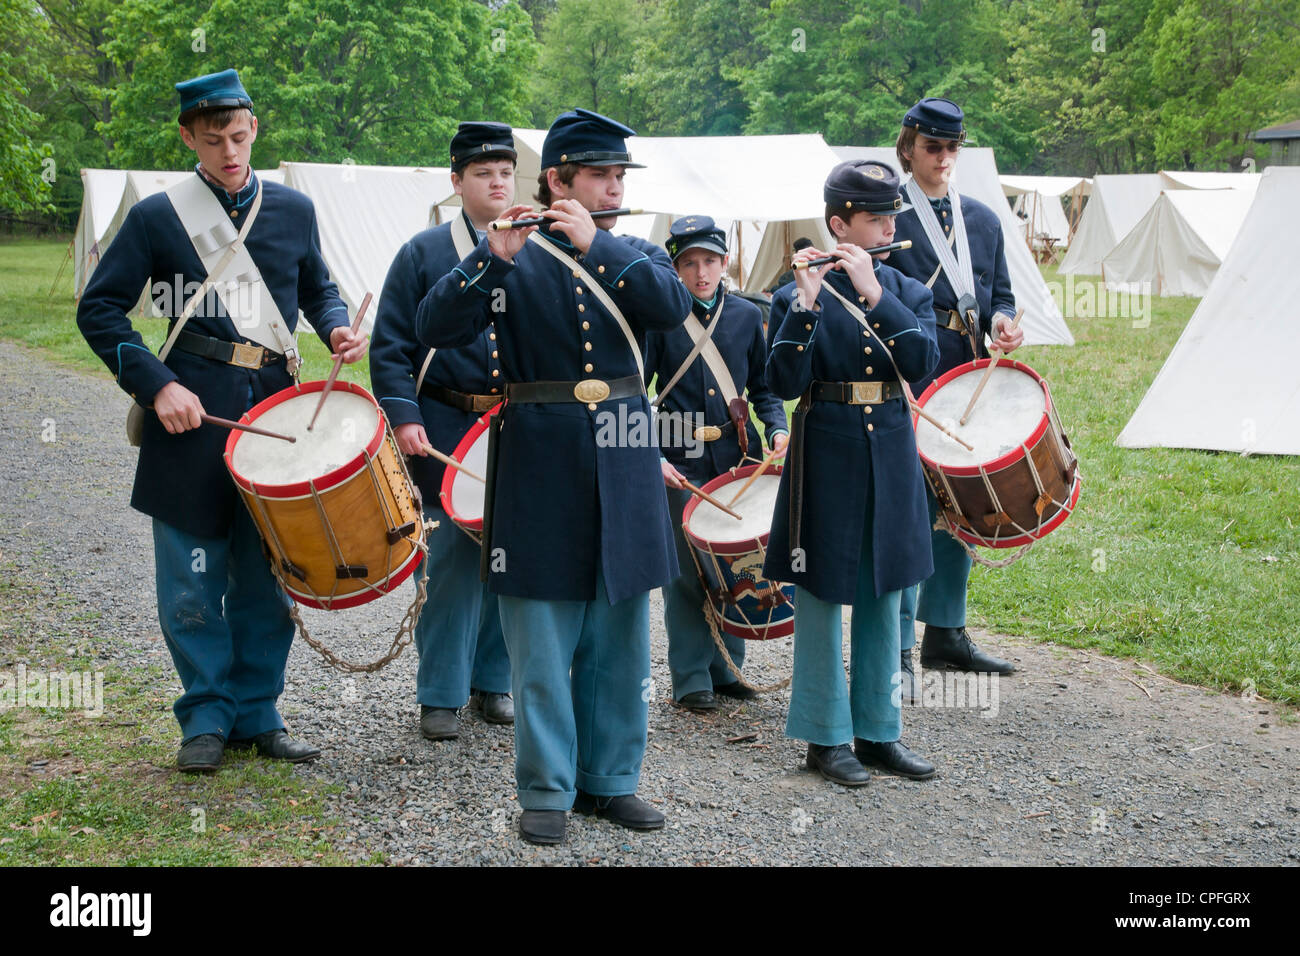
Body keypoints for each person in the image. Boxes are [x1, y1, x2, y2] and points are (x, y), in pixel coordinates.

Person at [76, 69, 366, 773]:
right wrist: (156, 384)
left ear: (255, 130)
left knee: (268, 572)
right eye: (214, 140)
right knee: (192, 580)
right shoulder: (158, 216)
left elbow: (317, 286)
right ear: (188, 137)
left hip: (272, 403)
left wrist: (333, 329)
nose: (230, 152)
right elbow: (99, 309)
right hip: (192, 411)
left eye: (239, 137)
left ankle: (258, 714)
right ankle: (204, 718)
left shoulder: (292, 209)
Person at [415, 108, 692, 844]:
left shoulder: (639, 252)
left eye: (617, 176)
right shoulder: (511, 253)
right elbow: (435, 328)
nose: (611, 186)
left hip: (628, 442)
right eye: (598, 175)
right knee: (541, 634)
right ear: (557, 180)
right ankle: (545, 787)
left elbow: (671, 308)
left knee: (621, 633)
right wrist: (490, 257)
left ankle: (611, 782)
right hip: (539, 447)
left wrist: (597, 242)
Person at [763, 159, 940, 785]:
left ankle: (877, 731)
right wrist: (806, 307)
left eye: (892, 215)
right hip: (826, 451)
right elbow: (781, 381)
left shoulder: (907, 292)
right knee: (819, 594)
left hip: (889, 446)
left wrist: (875, 294)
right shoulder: (796, 293)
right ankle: (823, 735)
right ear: (839, 224)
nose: (888, 227)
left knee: (883, 590)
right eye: (874, 218)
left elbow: (921, 359)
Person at [370, 122, 516, 742]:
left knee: (508, 557)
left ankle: (494, 682)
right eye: (483, 173)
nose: (497, 183)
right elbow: (391, 346)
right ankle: (441, 693)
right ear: (456, 182)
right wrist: (404, 416)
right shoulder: (422, 253)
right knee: (450, 560)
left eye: (506, 172)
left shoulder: (533, 248)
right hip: (443, 424)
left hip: (511, 426)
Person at [889, 97, 1024, 694]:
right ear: (909, 148)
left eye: (952, 149)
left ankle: (945, 632)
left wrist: (1006, 322)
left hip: (969, 369)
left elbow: (1001, 295)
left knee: (961, 505)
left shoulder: (984, 221)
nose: (944, 159)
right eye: (932, 148)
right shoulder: (887, 216)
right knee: (910, 503)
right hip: (914, 370)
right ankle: (894, 646)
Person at [645, 216, 789, 712]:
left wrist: (778, 430)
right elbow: (634, 394)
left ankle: (729, 671)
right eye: (689, 263)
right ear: (675, 267)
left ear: (724, 262)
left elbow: (765, 389)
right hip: (679, 462)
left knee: (733, 563)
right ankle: (690, 679)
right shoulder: (659, 318)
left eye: (709, 261)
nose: (700, 272)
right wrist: (653, 454)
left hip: (735, 459)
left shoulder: (748, 316)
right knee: (685, 573)